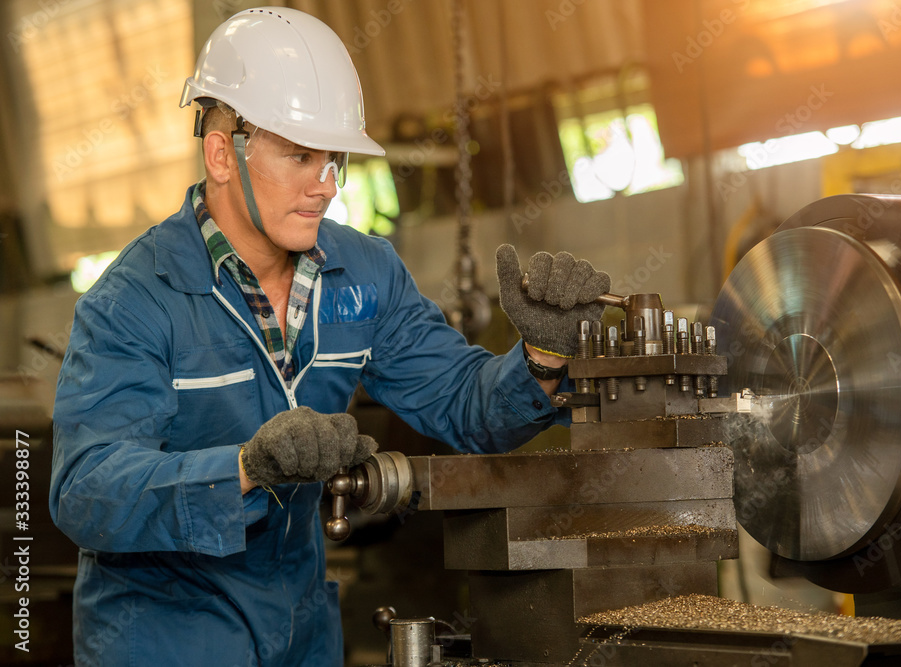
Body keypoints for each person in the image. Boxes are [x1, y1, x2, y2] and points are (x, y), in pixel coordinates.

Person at [48, 6, 609, 667]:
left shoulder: (364, 274)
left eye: (334, 159)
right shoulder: (136, 300)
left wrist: (542, 359)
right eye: (302, 157)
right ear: (222, 153)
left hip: (302, 630)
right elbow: (86, 490)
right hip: (166, 636)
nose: (327, 186)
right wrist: (246, 469)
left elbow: (465, 404)